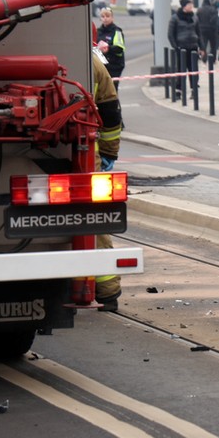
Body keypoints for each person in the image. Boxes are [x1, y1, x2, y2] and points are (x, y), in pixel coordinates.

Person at [90, 55, 122, 312]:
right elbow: (111, 111)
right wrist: (109, 153)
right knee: (94, 218)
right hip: (87, 155)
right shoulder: (93, 63)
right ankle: (108, 291)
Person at [168, 0, 202, 96]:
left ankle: (194, 89)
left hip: (193, 47)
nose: (191, 7)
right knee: (181, 70)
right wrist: (175, 47)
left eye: (191, 5)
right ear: (184, 6)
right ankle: (179, 90)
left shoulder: (194, 17)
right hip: (181, 48)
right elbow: (170, 34)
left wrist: (201, 47)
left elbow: (198, 33)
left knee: (194, 69)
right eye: (189, 5)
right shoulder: (175, 18)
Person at [95, 8, 125, 84]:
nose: (105, 19)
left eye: (107, 16)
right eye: (103, 16)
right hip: (101, 65)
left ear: (112, 17)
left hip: (114, 65)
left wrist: (108, 48)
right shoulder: (98, 31)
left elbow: (120, 48)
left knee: (112, 88)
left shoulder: (117, 31)